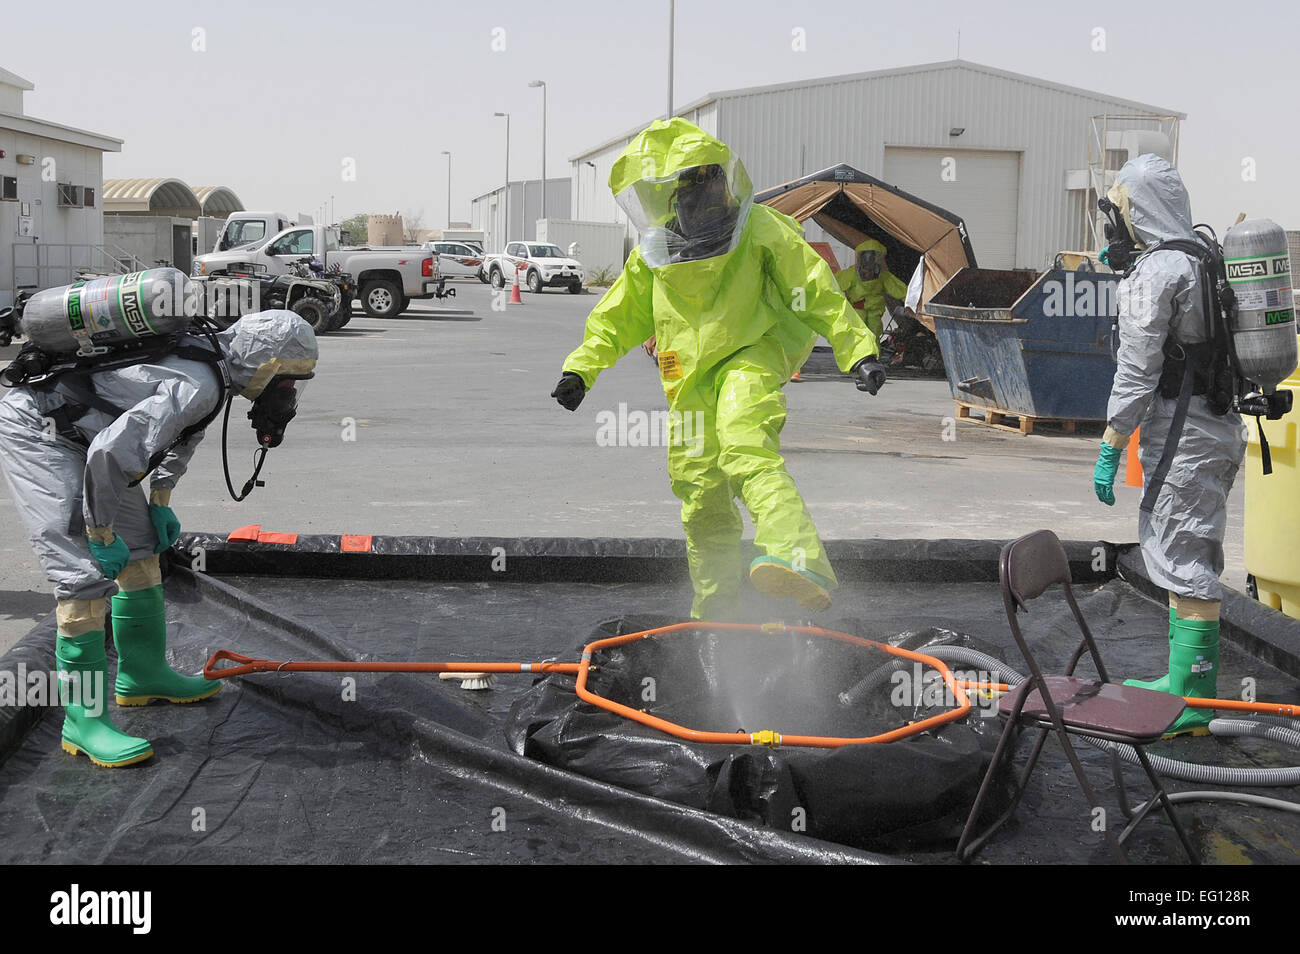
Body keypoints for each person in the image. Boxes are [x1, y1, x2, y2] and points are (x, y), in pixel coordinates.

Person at [551, 118, 886, 619]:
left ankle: (797, 557)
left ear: (721, 182)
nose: (694, 200)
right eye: (684, 188)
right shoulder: (656, 252)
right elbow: (617, 317)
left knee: (745, 440)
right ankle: (716, 616)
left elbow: (814, 287)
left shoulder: (760, 229)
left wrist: (857, 349)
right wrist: (581, 369)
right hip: (685, 380)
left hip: (749, 354)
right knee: (701, 498)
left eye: (701, 183)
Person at [0, 310, 318, 767]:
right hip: (41, 429)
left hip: (91, 438)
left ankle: (142, 675)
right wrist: (100, 531)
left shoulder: (215, 370)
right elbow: (112, 454)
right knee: (82, 579)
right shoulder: (202, 383)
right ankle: (82, 721)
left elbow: (179, 436)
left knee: (143, 553)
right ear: (266, 364)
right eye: (288, 380)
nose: (288, 394)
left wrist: (161, 500)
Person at [1091, 154, 1245, 736]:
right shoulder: (1203, 259)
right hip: (1214, 429)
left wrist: (1111, 441)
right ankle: (1184, 684)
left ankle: (1194, 699)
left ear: (1140, 210)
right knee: (1188, 548)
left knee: (1184, 557)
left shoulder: (1156, 274)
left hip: (1187, 439)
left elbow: (1135, 372)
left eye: (1121, 213)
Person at [835, 238, 911, 340]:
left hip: (874, 312)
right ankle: (863, 355)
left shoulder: (883, 276)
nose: (868, 274)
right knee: (857, 335)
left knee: (873, 336)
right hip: (857, 310)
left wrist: (912, 303)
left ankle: (872, 355)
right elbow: (832, 285)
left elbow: (901, 290)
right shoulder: (851, 274)